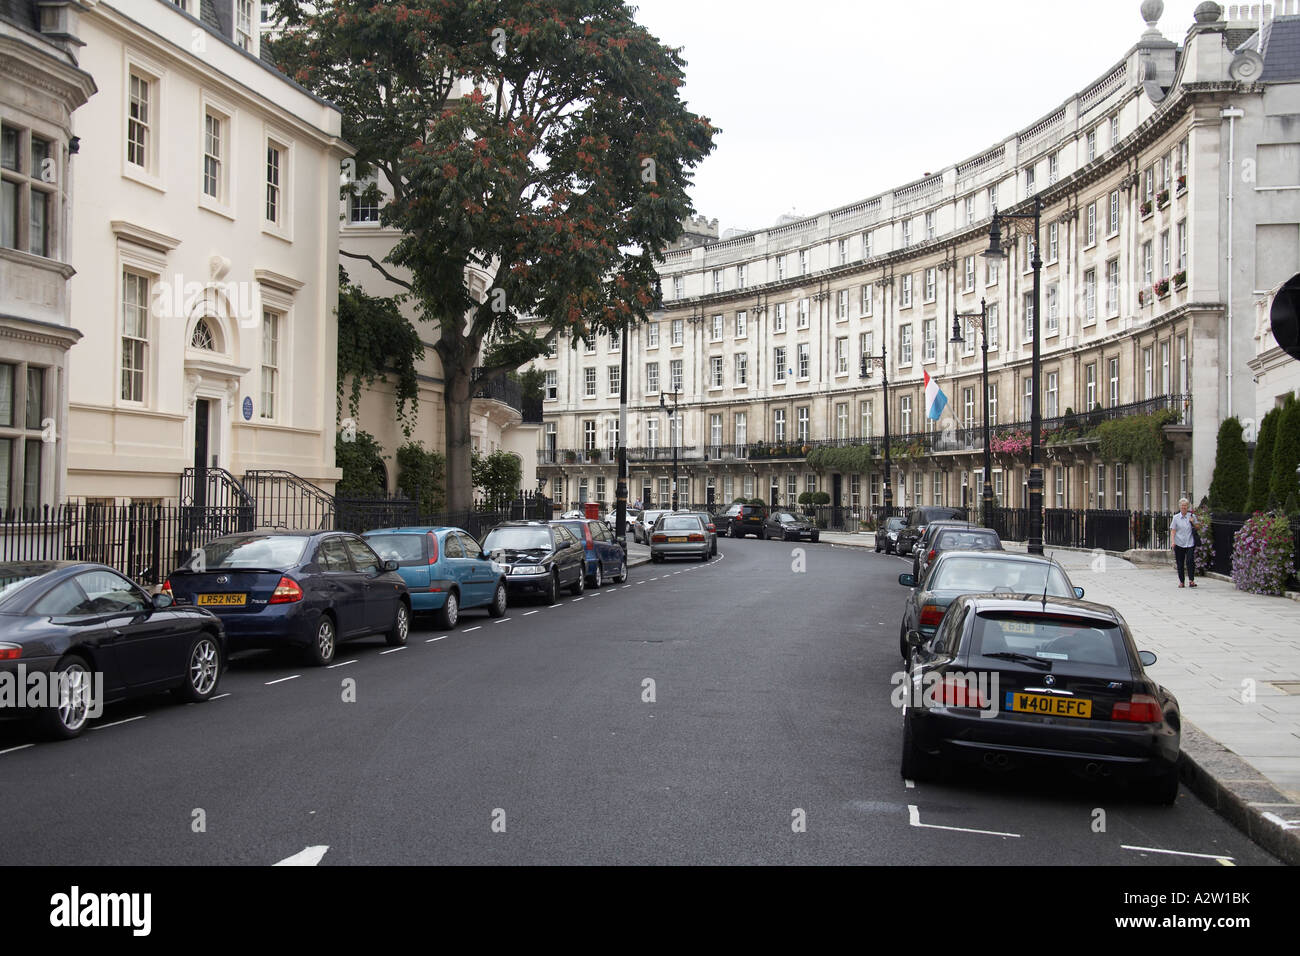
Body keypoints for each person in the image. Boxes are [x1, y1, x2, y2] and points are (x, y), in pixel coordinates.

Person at [1169, 497, 1198, 588]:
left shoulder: (1192, 516)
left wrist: (1193, 523)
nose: (1184, 507)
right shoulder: (1176, 518)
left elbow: (1197, 527)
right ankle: (1181, 581)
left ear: (1187, 507)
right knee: (1180, 563)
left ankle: (1191, 581)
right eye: (1182, 506)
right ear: (1180, 507)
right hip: (1179, 542)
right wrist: (1173, 542)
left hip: (1190, 542)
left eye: (1185, 506)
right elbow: (1173, 530)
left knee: (1190, 561)